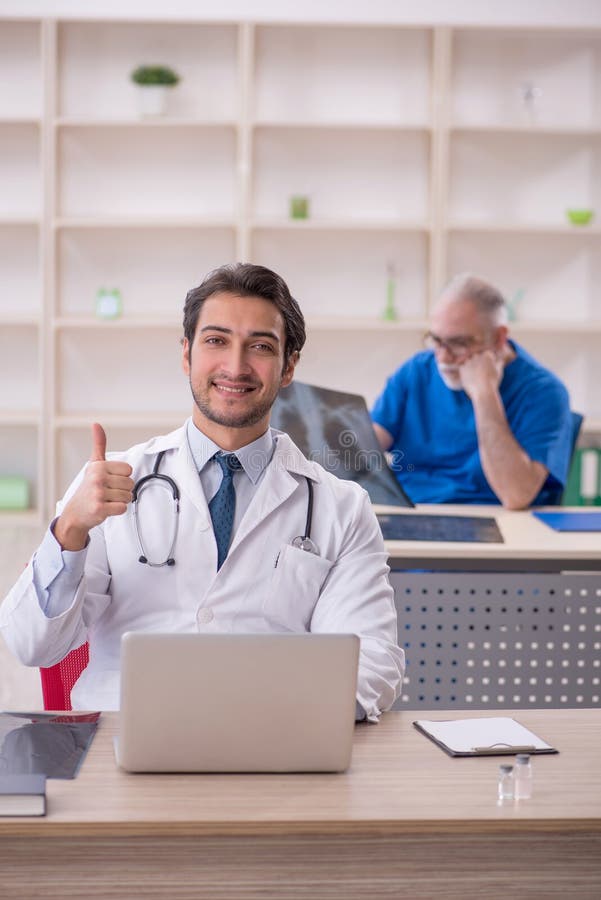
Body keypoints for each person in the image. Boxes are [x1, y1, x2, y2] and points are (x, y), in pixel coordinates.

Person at [1, 263, 404, 720]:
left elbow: (371, 662)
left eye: (261, 346)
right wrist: (69, 530)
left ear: (288, 366)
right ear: (187, 354)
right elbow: (31, 644)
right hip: (122, 738)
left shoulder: (341, 508)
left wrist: (260, 717)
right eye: (216, 341)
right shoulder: (109, 483)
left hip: (272, 742)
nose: (235, 366)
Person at [371, 274, 573, 509]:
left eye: (459, 343)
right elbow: (365, 449)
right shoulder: (416, 370)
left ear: (499, 337)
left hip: (491, 514)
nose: (443, 357)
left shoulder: (544, 391)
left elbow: (516, 495)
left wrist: (484, 394)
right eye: (436, 340)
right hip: (410, 509)